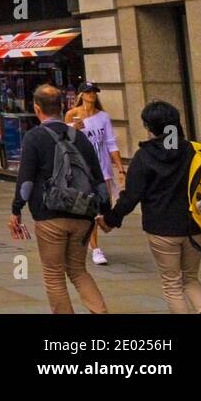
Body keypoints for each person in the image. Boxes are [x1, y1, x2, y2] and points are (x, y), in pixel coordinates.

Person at [97, 100, 201, 314]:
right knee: (191, 279)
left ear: (150, 127)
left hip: (162, 229)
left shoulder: (144, 157)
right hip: (195, 226)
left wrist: (110, 220)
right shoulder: (193, 151)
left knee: (172, 284)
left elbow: (131, 197)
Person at [9, 84, 111, 314]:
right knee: (78, 269)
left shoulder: (34, 137)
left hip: (50, 214)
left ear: (36, 108)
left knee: (54, 275)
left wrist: (16, 210)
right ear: (62, 106)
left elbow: (25, 181)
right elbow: (98, 177)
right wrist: (106, 211)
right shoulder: (79, 137)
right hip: (83, 214)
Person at [65, 83, 124, 265]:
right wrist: (73, 129)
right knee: (91, 209)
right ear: (81, 95)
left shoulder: (103, 117)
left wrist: (120, 168)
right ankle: (95, 248)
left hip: (103, 170)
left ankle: (86, 234)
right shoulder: (72, 114)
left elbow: (110, 143)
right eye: (88, 92)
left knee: (104, 210)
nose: (92, 96)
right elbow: (65, 142)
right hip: (83, 170)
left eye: (94, 93)